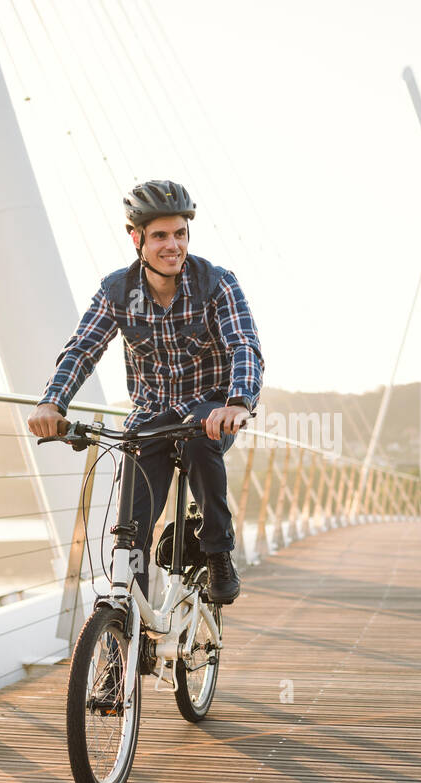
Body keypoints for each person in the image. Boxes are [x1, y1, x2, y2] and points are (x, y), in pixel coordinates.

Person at [27, 180, 264, 603]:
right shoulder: (117, 291)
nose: (172, 245)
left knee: (199, 439)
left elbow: (243, 345)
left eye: (180, 234)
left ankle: (217, 551)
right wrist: (52, 402)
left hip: (210, 409)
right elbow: (82, 350)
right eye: (160, 236)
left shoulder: (216, 284)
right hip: (150, 417)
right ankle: (125, 620)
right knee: (130, 532)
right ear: (136, 238)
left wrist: (238, 402)